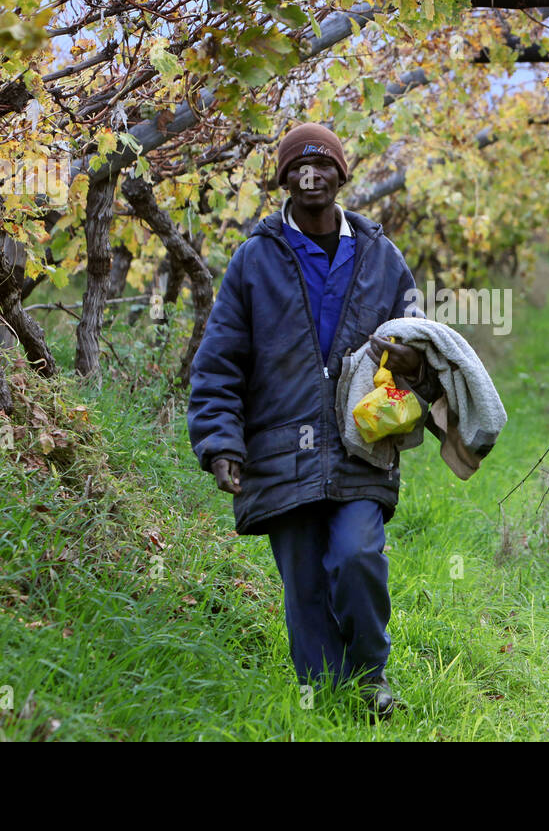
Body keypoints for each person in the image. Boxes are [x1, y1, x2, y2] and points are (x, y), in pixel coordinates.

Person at [187, 122, 440, 720]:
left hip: (362, 444)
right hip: (277, 450)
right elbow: (220, 360)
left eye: (323, 164)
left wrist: (413, 364)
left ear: (340, 175)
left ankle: (371, 678)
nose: (311, 175)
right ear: (284, 180)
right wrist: (221, 441)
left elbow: (425, 350)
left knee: (356, 557)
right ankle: (326, 701)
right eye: (298, 166)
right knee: (302, 586)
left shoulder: (381, 257)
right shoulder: (253, 261)